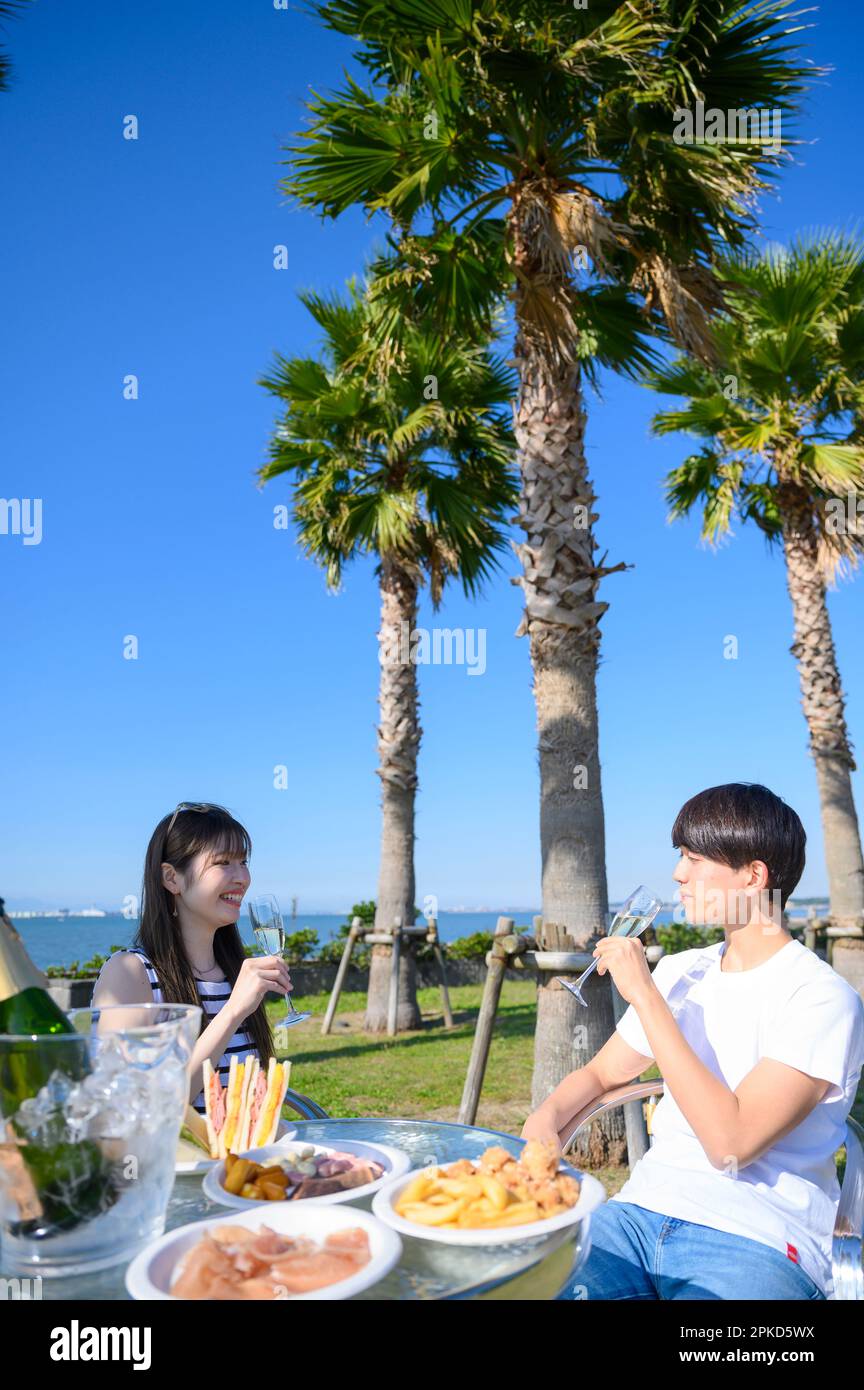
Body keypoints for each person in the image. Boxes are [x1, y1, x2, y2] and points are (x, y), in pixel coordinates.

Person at [522, 783, 864, 1300]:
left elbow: (732, 1145)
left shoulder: (821, 998)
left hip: (757, 1239)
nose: (679, 874)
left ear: (753, 876)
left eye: (695, 858)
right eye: (680, 855)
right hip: (637, 1217)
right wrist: (543, 1121)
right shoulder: (683, 971)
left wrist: (644, 996)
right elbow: (600, 1075)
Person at [92, 802, 293, 1114]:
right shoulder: (131, 974)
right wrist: (233, 1012)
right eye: (223, 862)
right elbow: (129, 1111)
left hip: (247, 1161)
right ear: (172, 879)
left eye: (243, 862)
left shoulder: (233, 974)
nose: (242, 877)